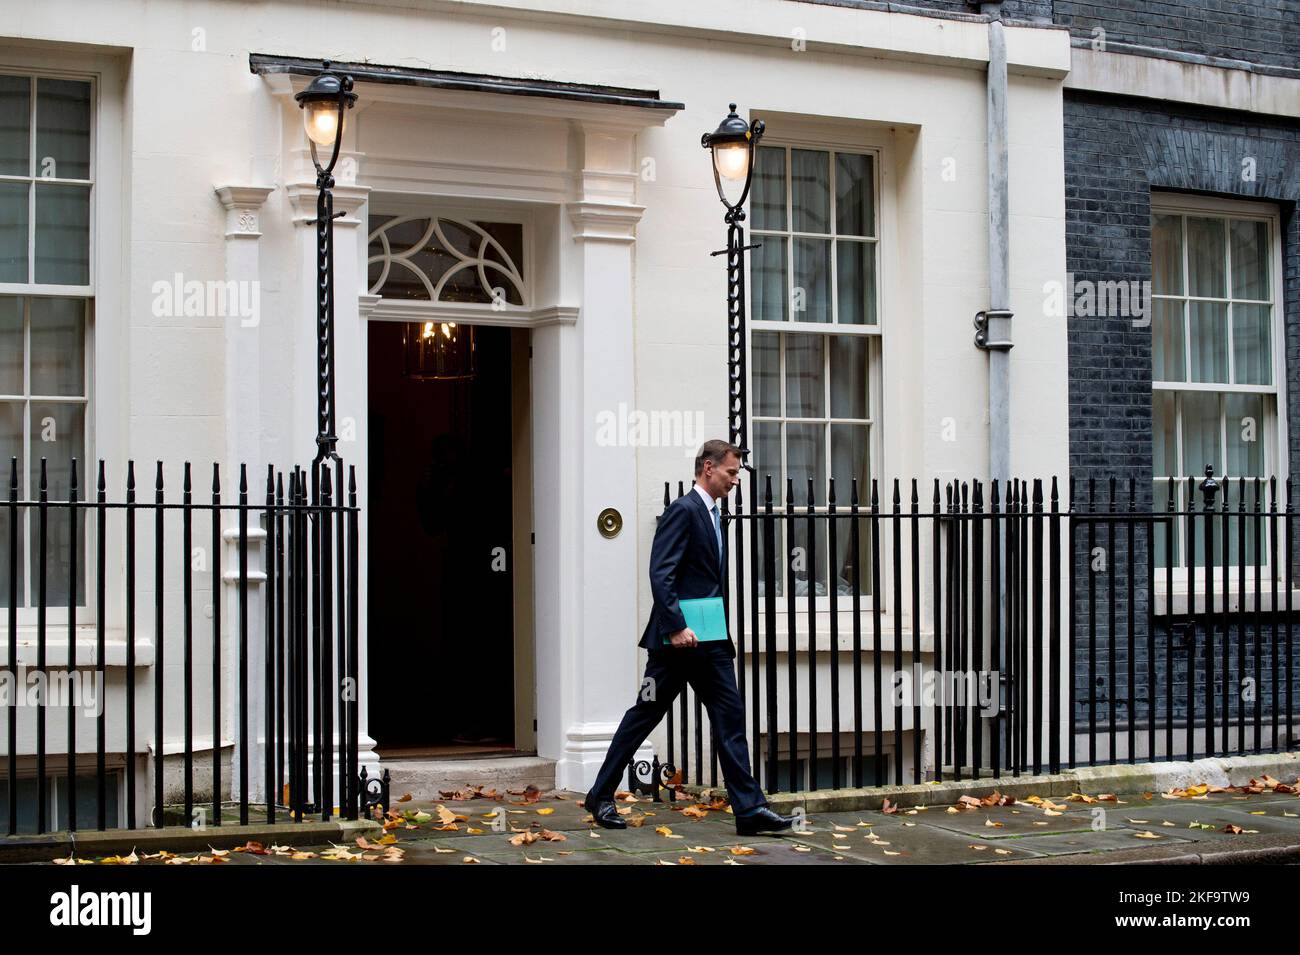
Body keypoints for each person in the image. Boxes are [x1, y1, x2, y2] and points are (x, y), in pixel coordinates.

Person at [583, 439, 795, 836]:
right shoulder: (683, 510)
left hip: (710, 641)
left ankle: (749, 809)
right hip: (673, 644)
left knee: (730, 717)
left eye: (737, 474)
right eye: (731, 473)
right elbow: (660, 572)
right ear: (708, 468)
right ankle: (600, 794)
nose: (735, 481)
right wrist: (677, 626)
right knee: (643, 714)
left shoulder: (715, 514)